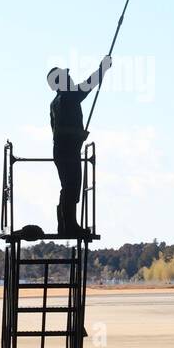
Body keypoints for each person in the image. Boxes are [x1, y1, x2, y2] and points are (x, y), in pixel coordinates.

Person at [47, 56, 111, 235]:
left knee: (67, 186)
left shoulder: (56, 102)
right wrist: (102, 69)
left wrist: (78, 136)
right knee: (72, 187)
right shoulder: (68, 96)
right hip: (68, 151)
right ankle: (70, 225)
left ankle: (64, 225)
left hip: (62, 150)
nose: (70, 79)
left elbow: (60, 129)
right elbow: (88, 85)